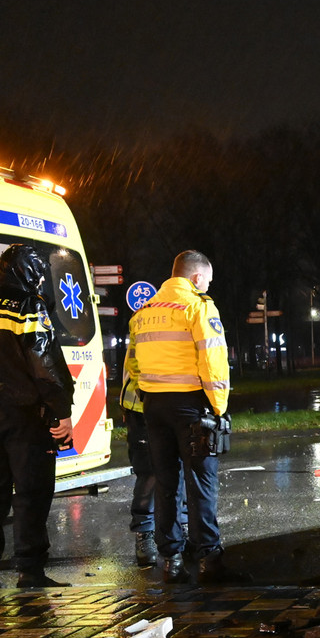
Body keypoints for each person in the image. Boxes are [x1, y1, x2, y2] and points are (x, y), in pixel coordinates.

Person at [0, 244, 75, 588]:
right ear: (29, 272)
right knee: (31, 492)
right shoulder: (27, 306)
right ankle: (30, 571)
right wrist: (61, 412)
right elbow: (45, 365)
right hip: (26, 418)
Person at [128, 250, 232, 583]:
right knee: (200, 481)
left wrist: (148, 394)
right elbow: (213, 362)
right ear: (197, 277)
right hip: (191, 406)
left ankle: (170, 557)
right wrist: (219, 408)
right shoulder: (198, 308)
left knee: (165, 481)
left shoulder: (143, 312)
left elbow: (133, 364)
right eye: (208, 281)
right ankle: (208, 558)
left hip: (154, 406)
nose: (207, 287)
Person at [120, 359, 187, 568]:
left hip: (174, 401)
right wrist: (149, 395)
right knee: (148, 472)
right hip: (143, 405)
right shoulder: (142, 324)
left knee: (179, 468)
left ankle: (181, 527)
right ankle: (144, 531)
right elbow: (134, 360)